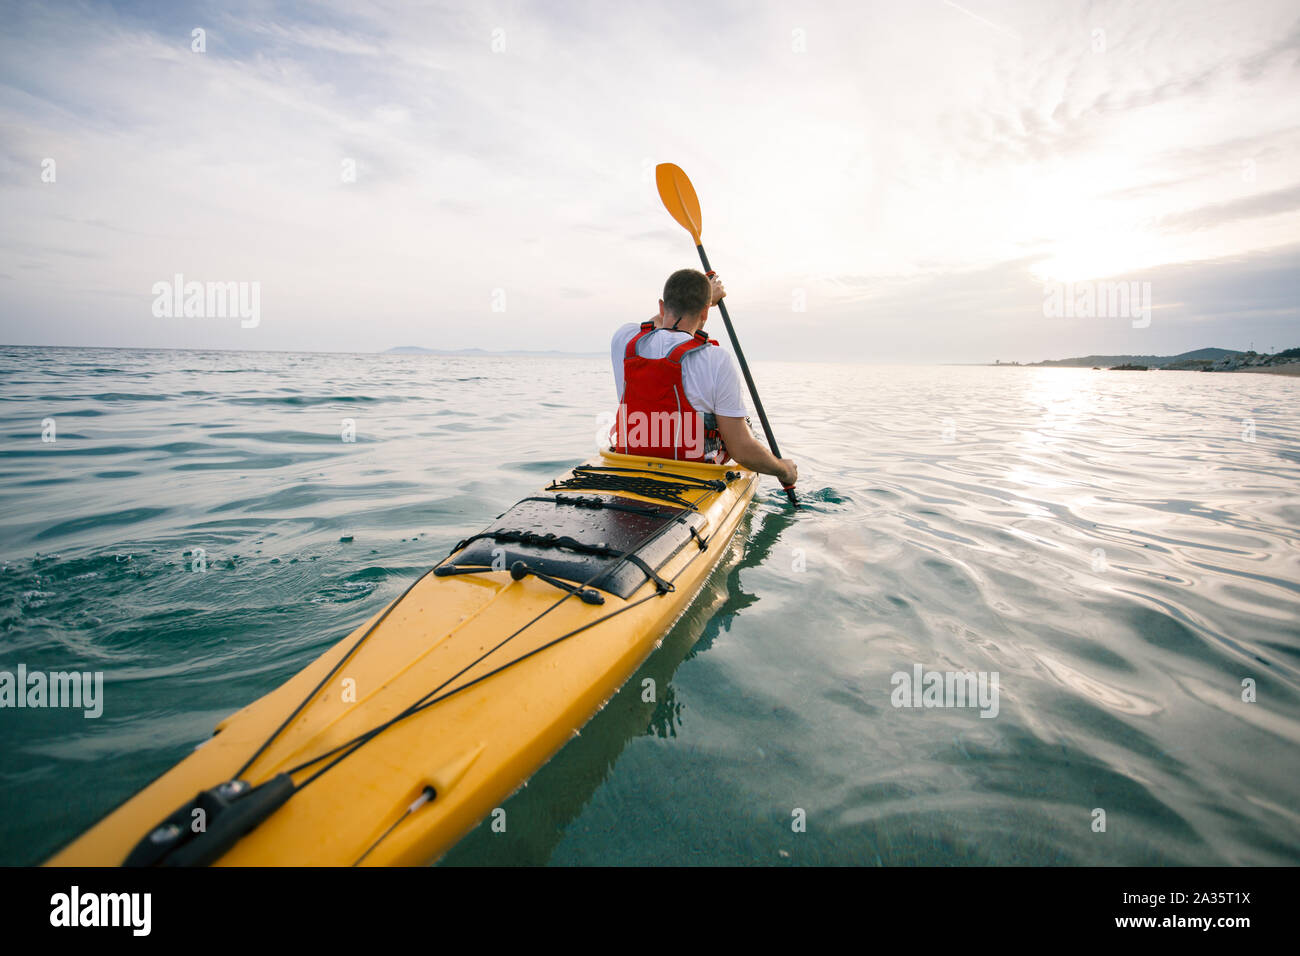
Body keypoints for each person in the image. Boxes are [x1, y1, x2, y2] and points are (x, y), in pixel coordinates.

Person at [609, 268, 798, 490]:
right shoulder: (716, 359)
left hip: (630, 466)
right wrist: (784, 470)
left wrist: (705, 294)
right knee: (744, 430)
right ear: (705, 313)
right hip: (693, 479)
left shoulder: (625, 340)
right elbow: (741, 450)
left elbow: (657, 324)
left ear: (661, 306)